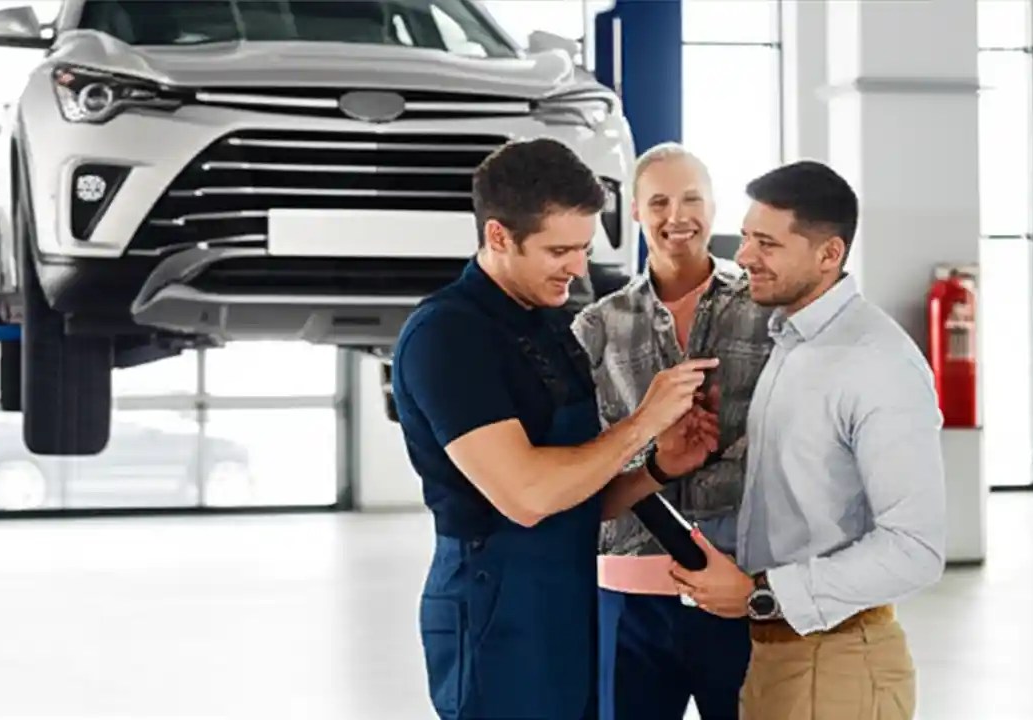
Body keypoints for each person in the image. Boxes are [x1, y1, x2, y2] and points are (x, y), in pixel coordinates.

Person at [389, 137, 720, 720]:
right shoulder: (448, 336)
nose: (578, 266)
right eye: (559, 249)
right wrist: (645, 420)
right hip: (493, 606)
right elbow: (528, 495)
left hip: (568, 602)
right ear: (498, 236)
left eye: (585, 248)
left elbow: (580, 495)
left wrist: (660, 467)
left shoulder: (550, 325)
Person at [670, 160, 947, 720]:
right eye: (747, 237)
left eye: (767, 243)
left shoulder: (875, 361)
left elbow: (917, 550)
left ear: (829, 255)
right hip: (777, 654)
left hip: (839, 662)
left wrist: (761, 593)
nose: (744, 256)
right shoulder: (794, 342)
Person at [570, 143, 774, 720]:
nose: (675, 216)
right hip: (629, 594)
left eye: (691, 199)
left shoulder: (766, 312)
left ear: (714, 207)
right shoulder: (596, 326)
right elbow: (584, 457)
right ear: (634, 211)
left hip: (736, 585)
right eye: (658, 201)